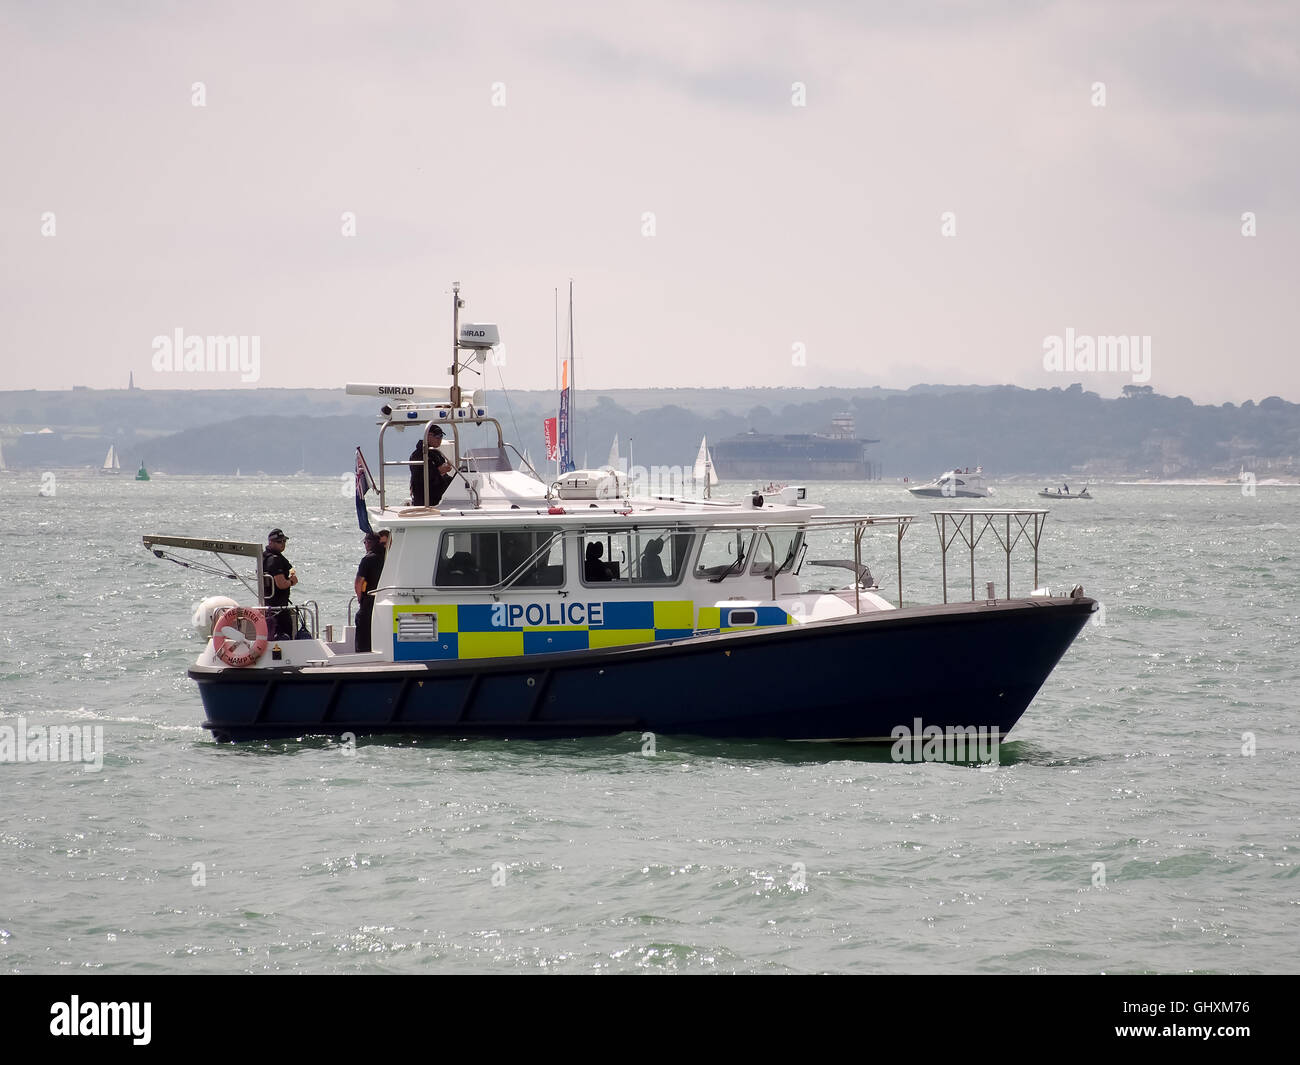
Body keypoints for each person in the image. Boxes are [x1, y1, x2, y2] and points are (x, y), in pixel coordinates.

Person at [262, 528, 298, 640]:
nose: (282, 544)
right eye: (279, 542)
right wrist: (292, 581)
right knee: (285, 635)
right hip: (278, 607)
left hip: (268, 606)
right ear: (270, 542)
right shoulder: (275, 560)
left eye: (284, 541)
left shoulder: (263, 557)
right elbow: (281, 584)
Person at [410, 424, 454, 507]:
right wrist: (439, 471)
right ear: (428, 436)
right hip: (425, 501)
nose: (440, 439)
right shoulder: (417, 455)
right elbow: (419, 478)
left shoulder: (436, 453)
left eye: (441, 437)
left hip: (439, 499)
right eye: (437, 436)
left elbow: (443, 477)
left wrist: (455, 481)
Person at [354, 531, 383, 653]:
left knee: (362, 621)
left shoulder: (367, 559)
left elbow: (359, 582)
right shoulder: (387, 556)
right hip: (383, 597)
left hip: (369, 599)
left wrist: (360, 598)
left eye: (365, 542)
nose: (365, 545)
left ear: (368, 543)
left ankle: (363, 652)